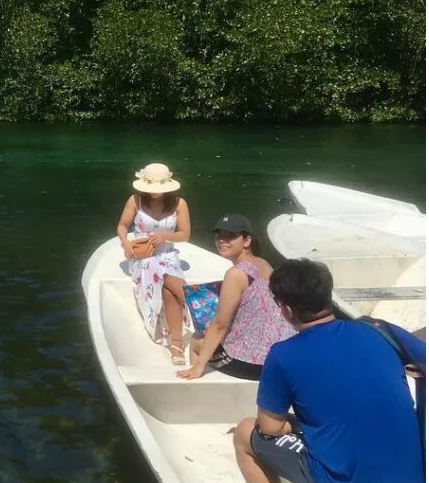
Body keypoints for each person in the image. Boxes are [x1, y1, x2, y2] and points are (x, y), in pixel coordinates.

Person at [233, 258, 425, 483]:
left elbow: (271, 428)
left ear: (287, 310)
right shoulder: (379, 330)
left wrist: (304, 423)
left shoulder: (283, 354)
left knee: (246, 431)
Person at [177, 214, 295, 381]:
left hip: (254, 365)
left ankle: (197, 386)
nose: (222, 240)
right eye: (219, 235)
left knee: (196, 342)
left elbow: (220, 325)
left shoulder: (236, 274)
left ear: (247, 241)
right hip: (280, 359)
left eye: (230, 236)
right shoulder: (265, 264)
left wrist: (199, 366)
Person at [116, 163, 193, 364]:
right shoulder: (135, 201)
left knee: (168, 287)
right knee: (161, 274)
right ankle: (195, 298)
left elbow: (184, 234)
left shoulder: (179, 204)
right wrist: (126, 244)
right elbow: (122, 226)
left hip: (167, 252)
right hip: (143, 256)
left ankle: (176, 344)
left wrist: (165, 235)